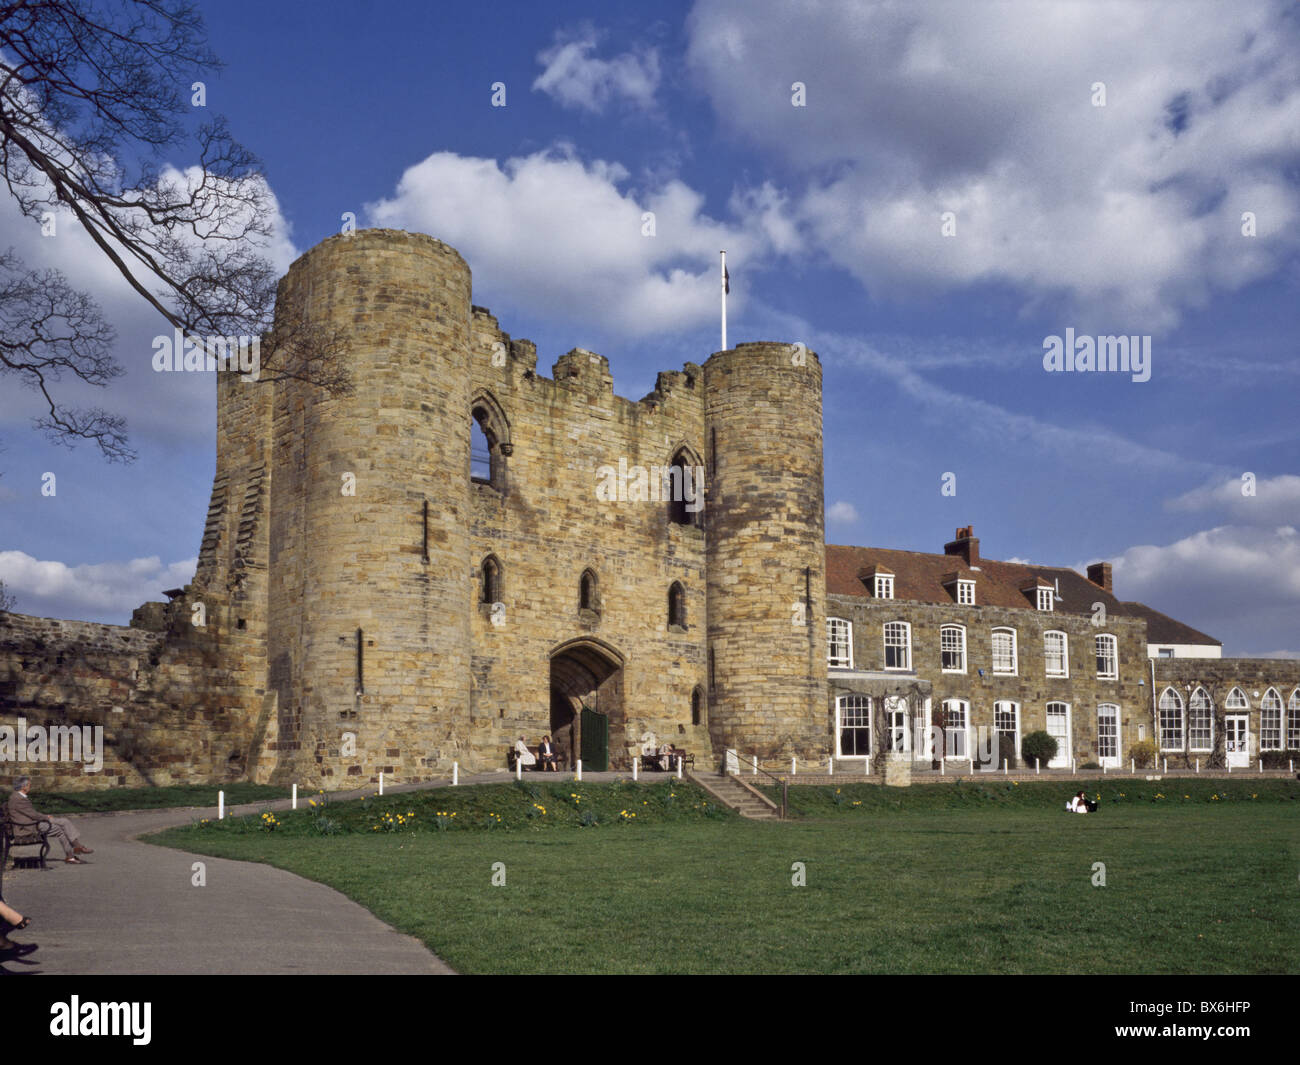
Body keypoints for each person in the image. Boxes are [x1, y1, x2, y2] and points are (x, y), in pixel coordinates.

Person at [6, 776, 93, 863]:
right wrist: (46, 817)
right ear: (23, 787)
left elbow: (31, 814)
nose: (30, 787)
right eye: (29, 785)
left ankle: (72, 855)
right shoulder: (18, 799)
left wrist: (45, 817)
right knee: (64, 822)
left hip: (32, 823)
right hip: (28, 827)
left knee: (62, 826)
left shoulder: (17, 797)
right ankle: (76, 848)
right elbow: (33, 815)